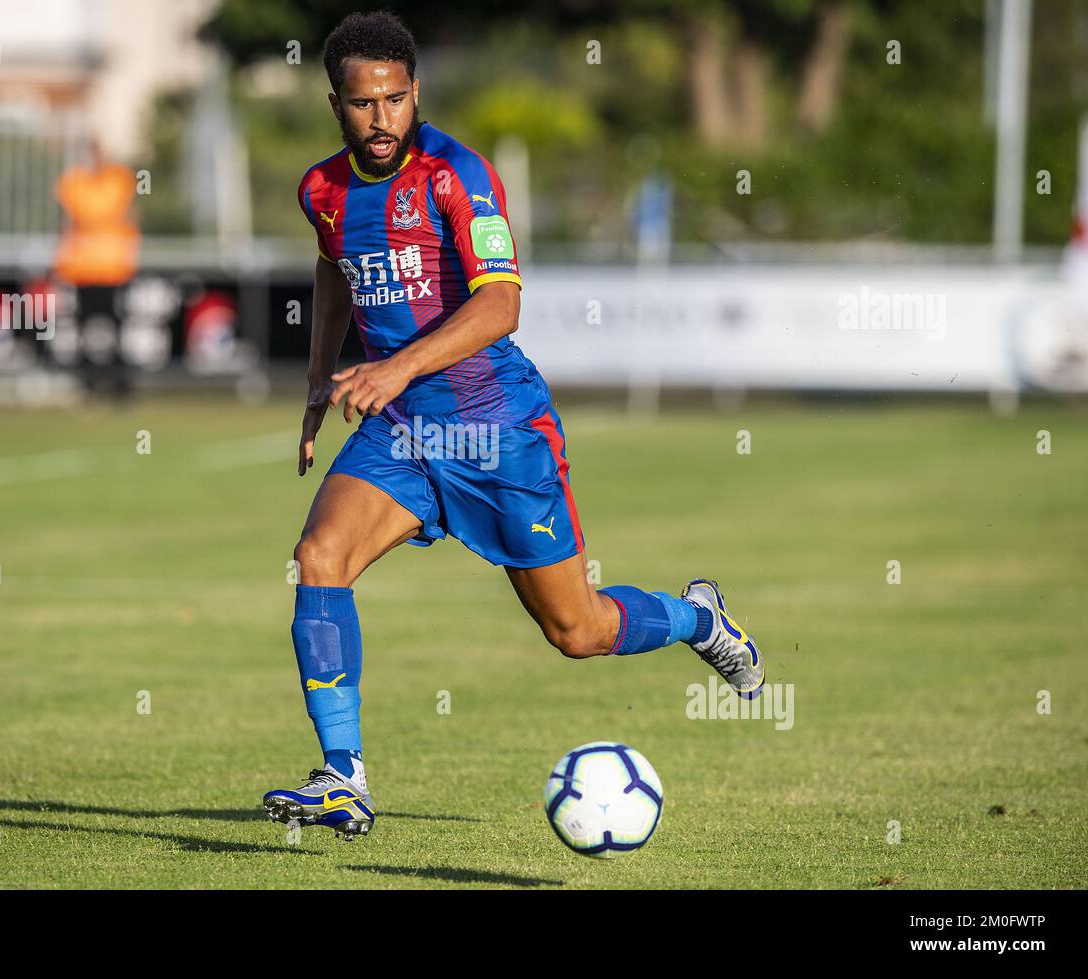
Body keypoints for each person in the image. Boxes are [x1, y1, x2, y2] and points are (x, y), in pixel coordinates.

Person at [263, 12, 766, 841]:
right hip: (403, 432)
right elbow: (333, 266)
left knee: (578, 630)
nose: (381, 117)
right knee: (318, 556)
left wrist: (395, 365)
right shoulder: (322, 190)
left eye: (395, 98)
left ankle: (699, 619)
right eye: (363, 103)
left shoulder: (457, 174)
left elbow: (501, 304)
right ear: (336, 105)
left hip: (496, 428)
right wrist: (323, 370)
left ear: (415, 92)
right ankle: (343, 775)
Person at [53, 138, 140, 396]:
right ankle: (87, 381)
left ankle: (119, 381)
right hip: (82, 267)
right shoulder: (73, 183)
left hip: (114, 267)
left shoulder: (119, 179)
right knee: (83, 324)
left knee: (116, 324)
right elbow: (66, 222)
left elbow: (132, 214)